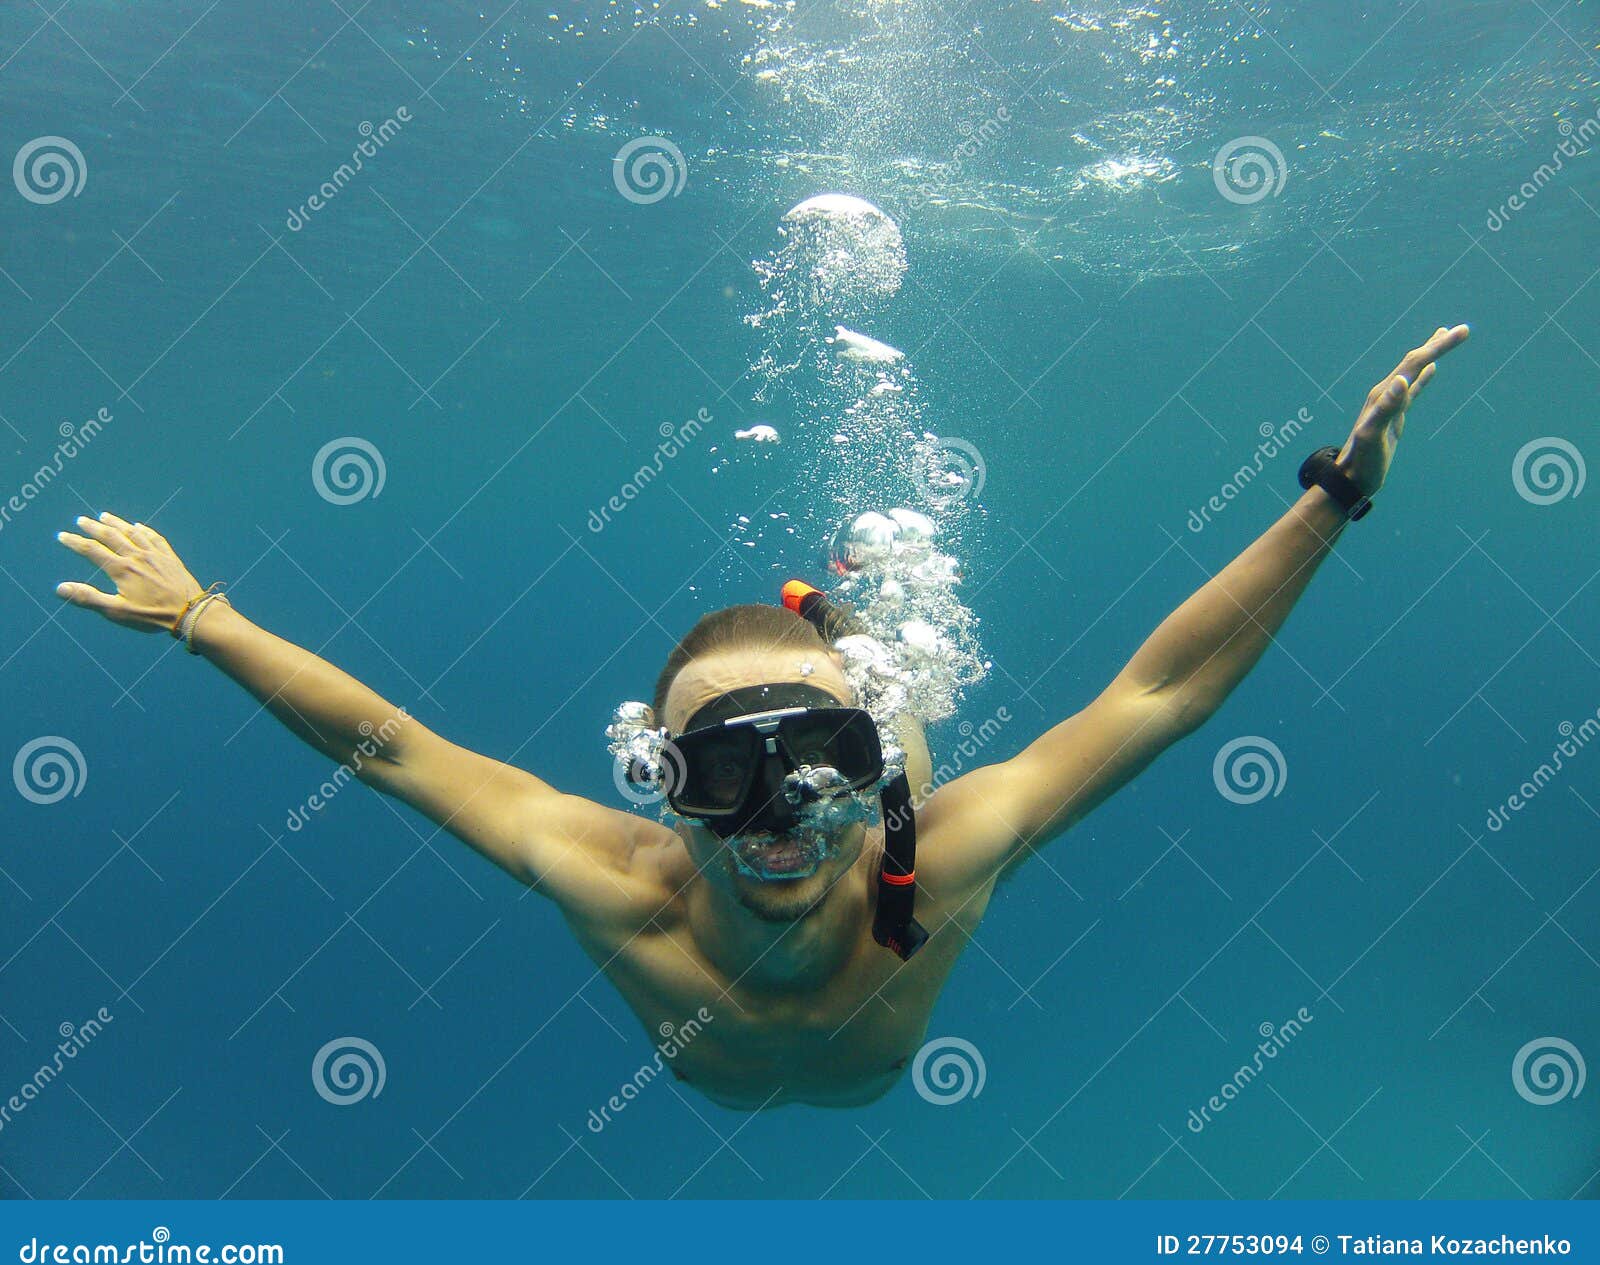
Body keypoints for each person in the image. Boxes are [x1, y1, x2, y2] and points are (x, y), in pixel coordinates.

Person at [53, 325, 1469, 1109]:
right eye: (725, 769)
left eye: (816, 758)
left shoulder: (937, 848)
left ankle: (865, 664)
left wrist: (1333, 499)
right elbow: (394, 750)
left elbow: (1157, 696)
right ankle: (850, 654)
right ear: (659, 781)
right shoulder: (612, 879)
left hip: (885, 833)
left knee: (901, 744)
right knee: (877, 729)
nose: (782, 807)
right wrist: (200, 616)